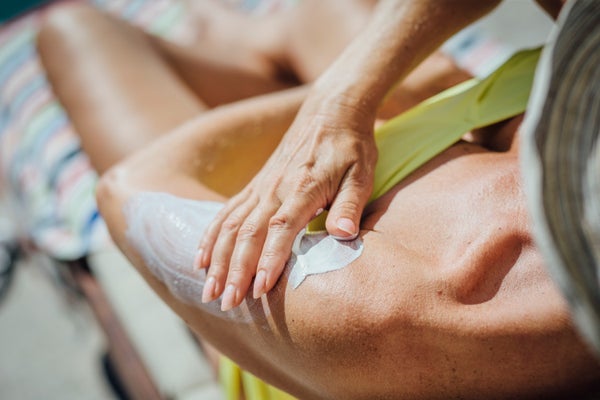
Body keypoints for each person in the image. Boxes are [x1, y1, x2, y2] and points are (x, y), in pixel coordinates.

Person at [36, 1, 600, 398]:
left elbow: (135, 186)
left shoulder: (451, 298)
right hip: (443, 126)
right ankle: (252, 39)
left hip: (276, 253)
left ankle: (245, 42)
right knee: (323, 12)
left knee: (73, 30)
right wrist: (349, 89)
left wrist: (348, 100)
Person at [194, 0, 567, 311]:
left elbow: (147, 176)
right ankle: (247, 31)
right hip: (488, 101)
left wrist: (334, 102)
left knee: (147, 48)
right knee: (310, 14)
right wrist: (337, 100)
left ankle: (237, 29)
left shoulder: (462, 266)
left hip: (477, 98)